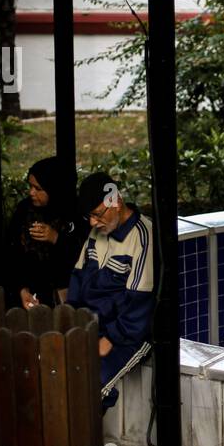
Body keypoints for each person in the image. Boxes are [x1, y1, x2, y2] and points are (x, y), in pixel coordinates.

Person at [67, 172, 155, 411]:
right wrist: (70, 323)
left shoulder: (143, 236)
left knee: (92, 387)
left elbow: (139, 305)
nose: (92, 223)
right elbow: (77, 279)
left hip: (127, 337)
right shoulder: (96, 234)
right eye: (89, 216)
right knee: (53, 367)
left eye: (96, 214)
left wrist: (109, 339)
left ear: (115, 202)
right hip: (91, 326)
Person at [3, 157, 85, 311]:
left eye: (38, 189)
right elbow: (11, 255)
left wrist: (56, 238)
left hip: (66, 299)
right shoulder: (24, 210)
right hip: (28, 295)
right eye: (30, 186)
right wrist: (22, 289)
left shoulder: (74, 214)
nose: (31, 192)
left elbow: (84, 257)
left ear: (55, 189)